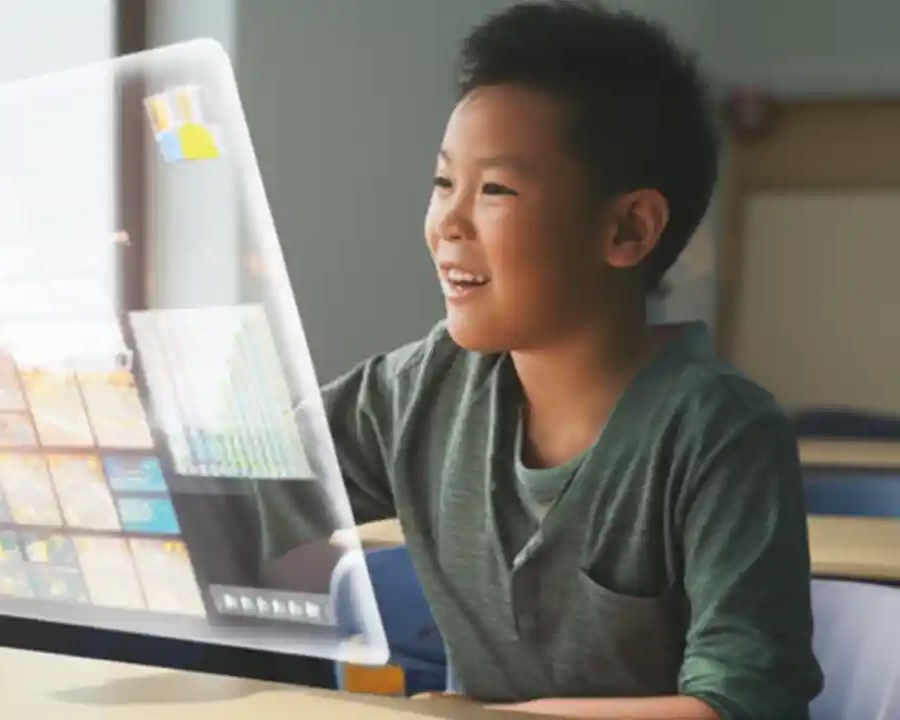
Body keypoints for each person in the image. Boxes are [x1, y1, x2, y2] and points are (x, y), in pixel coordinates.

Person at [262, 2, 823, 717]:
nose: (449, 223)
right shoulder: (419, 390)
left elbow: (746, 705)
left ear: (628, 228)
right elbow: (236, 499)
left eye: (495, 189)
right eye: (443, 183)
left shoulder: (717, 432)